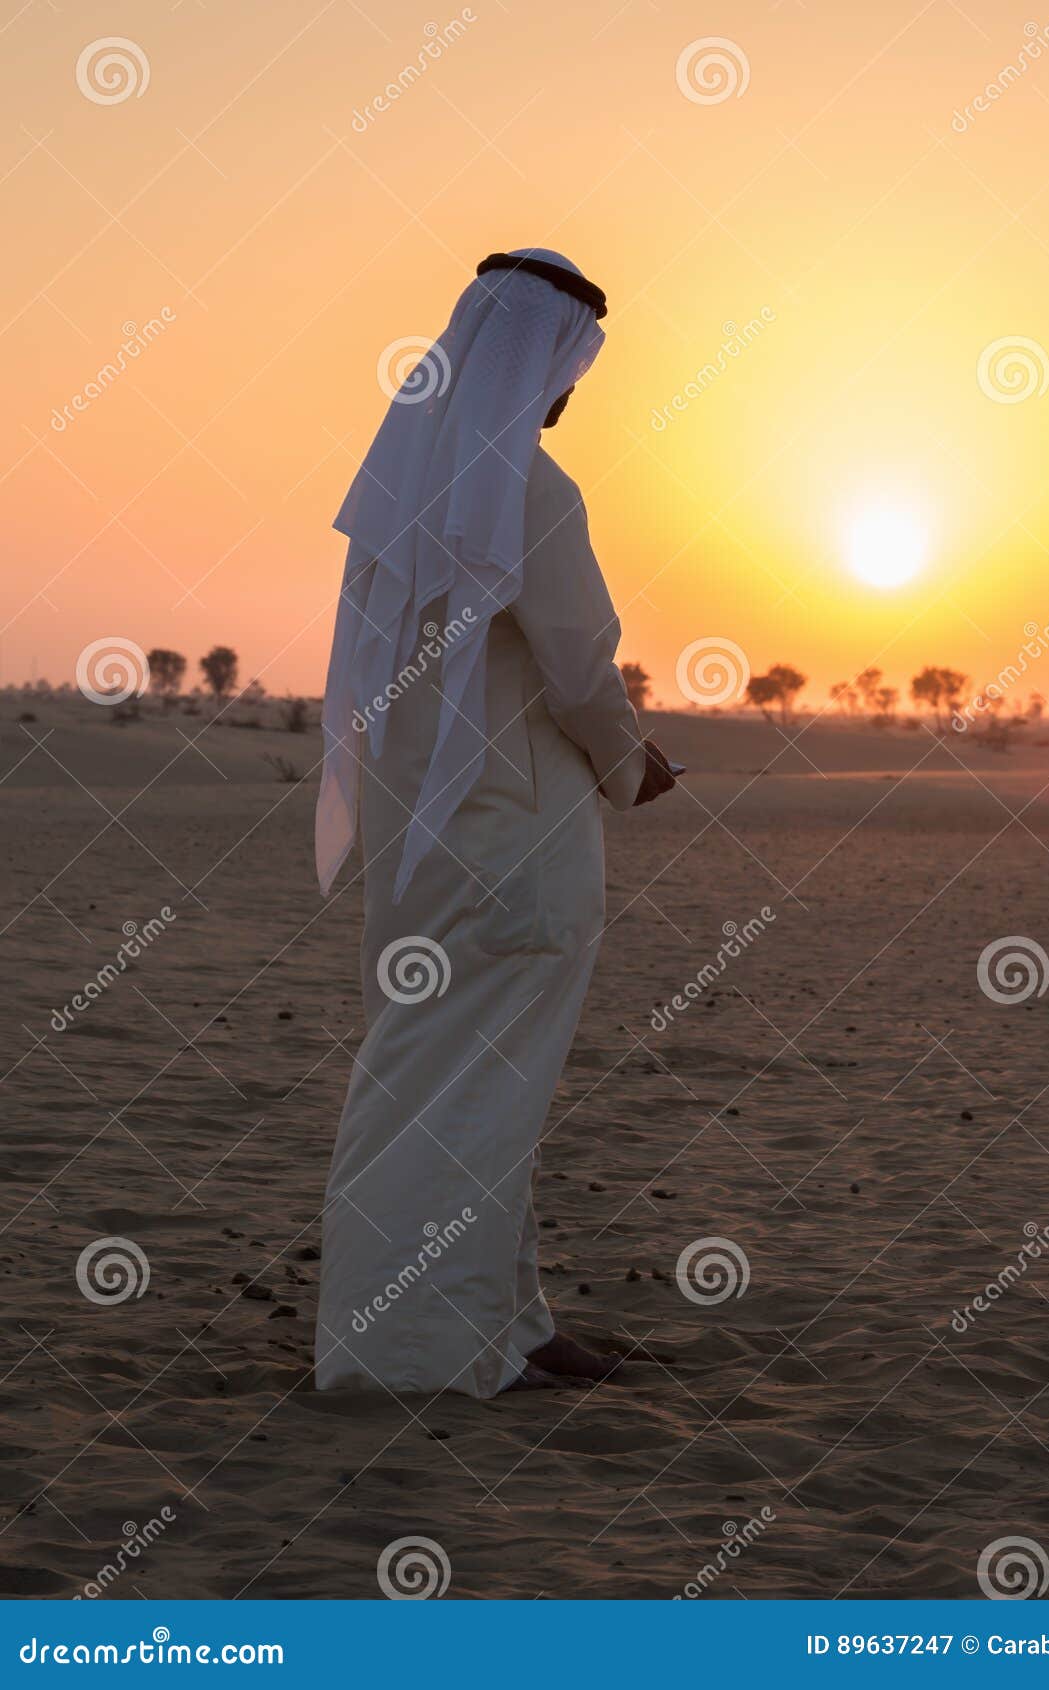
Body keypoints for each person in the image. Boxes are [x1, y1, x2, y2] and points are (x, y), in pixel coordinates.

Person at [314, 248, 677, 1398]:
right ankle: (412, 1351)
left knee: (451, 1078)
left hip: (415, 845)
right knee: (471, 1092)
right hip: (517, 847)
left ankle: (508, 1325)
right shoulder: (532, 488)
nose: (568, 391)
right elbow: (580, 668)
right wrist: (630, 765)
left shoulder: (397, 484)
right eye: (567, 366)